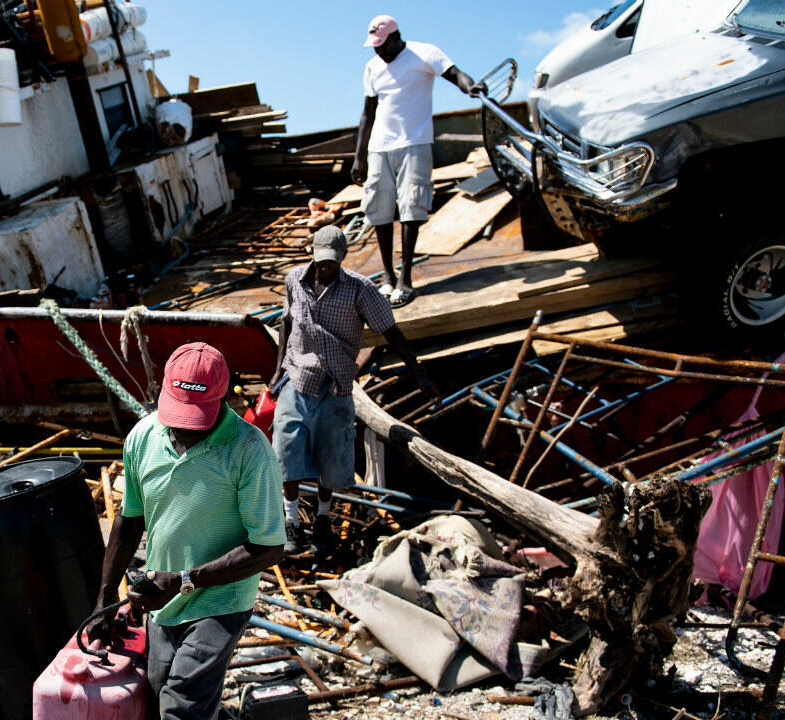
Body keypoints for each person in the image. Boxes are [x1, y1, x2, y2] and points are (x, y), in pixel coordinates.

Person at [90, 342, 286, 720]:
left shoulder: (249, 450)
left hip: (221, 599)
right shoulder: (142, 439)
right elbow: (129, 520)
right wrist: (103, 601)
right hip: (164, 600)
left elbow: (269, 548)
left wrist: (184, 580)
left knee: (182, 705)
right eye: (179, 414)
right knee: (158, 686)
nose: (184, 428)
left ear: (225, 397)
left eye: (197, 417)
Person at [269, 226, 438, 555]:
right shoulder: (294, 280)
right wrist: (278, 370)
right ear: (313, 256)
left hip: (335, 387)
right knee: (286, 452)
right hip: (298, 380)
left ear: (342, 259)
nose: (325, 268)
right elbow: (286, 321)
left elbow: (390, 330)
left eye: (331, 263)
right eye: (320, 263)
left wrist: (419, 374)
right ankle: (292, 522)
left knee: (329, 461)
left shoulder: (360, 290)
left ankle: (321, 519)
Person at [352, 14, 487, 308]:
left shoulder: (424, 53)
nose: (378, 51)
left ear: (396, 37)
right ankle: (388, 277)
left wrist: (470, 86)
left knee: (412, 207)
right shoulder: (372, 66)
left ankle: (406, 279)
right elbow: (367, 113)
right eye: (373, 46)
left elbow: (455, 75)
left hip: (415, 142)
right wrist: (359, 156)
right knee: (379, 210)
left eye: (381, 45)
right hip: (379, 147)